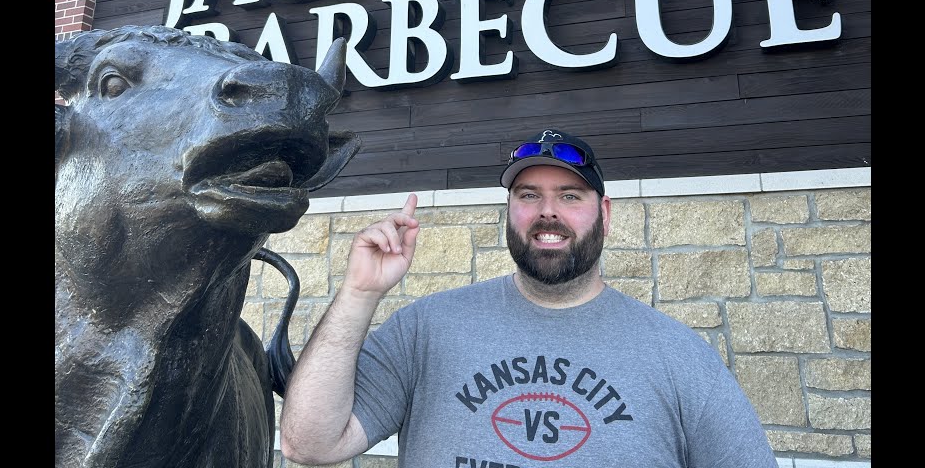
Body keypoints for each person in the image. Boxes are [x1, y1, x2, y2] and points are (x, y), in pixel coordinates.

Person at [279, 128, 777, 467]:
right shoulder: (425, 330)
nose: (547, 212)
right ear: (511, 210)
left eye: (570, 195)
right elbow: (309, 444)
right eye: (528, 195)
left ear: (605, 212)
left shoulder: (679, 357)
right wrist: (359, 292)